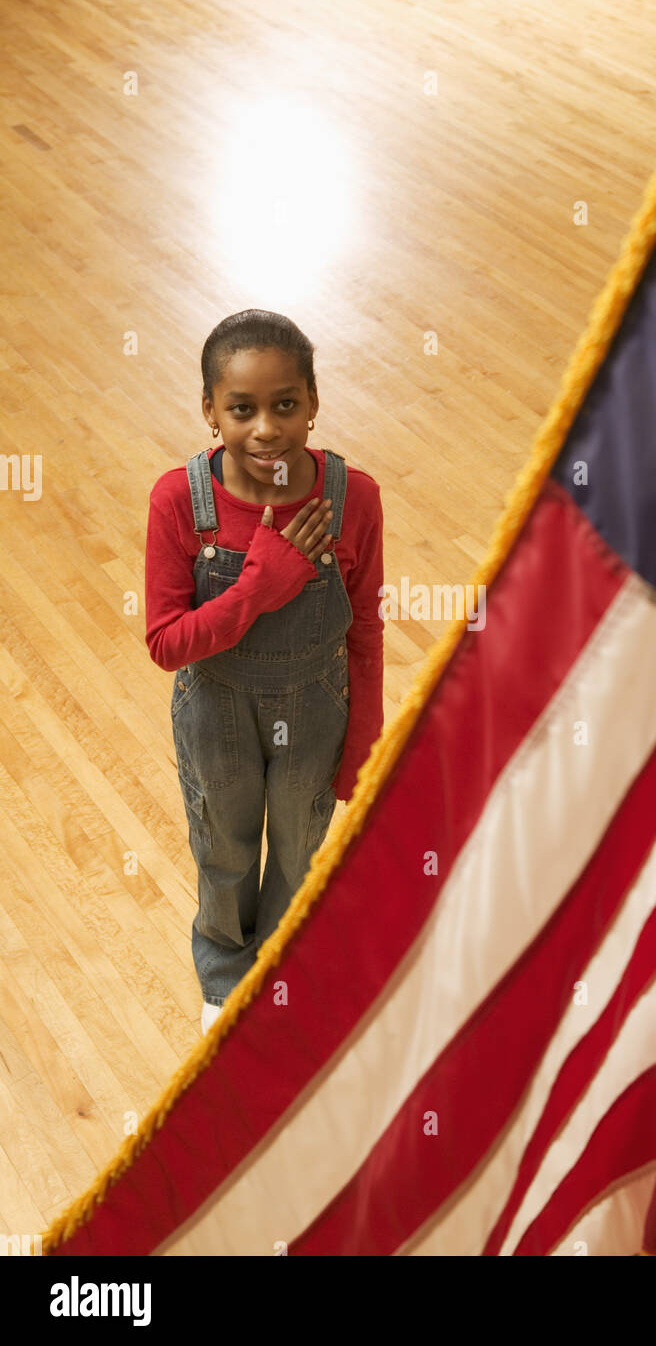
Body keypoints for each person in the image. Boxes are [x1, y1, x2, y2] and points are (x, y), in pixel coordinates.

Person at [145, 309, 384, 1034]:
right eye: (241, 409)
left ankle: (280, 969)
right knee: (224, 845)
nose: (266, 428)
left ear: (314, 402)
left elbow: (367, 627)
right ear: (210, 411)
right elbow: (165, 642)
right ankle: (223, 976)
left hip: (317, 710)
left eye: (286, 405)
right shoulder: (180, 501)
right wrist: (257, 590)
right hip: (215, 710)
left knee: (297, 845)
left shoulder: (355, 498)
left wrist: (363, 740)